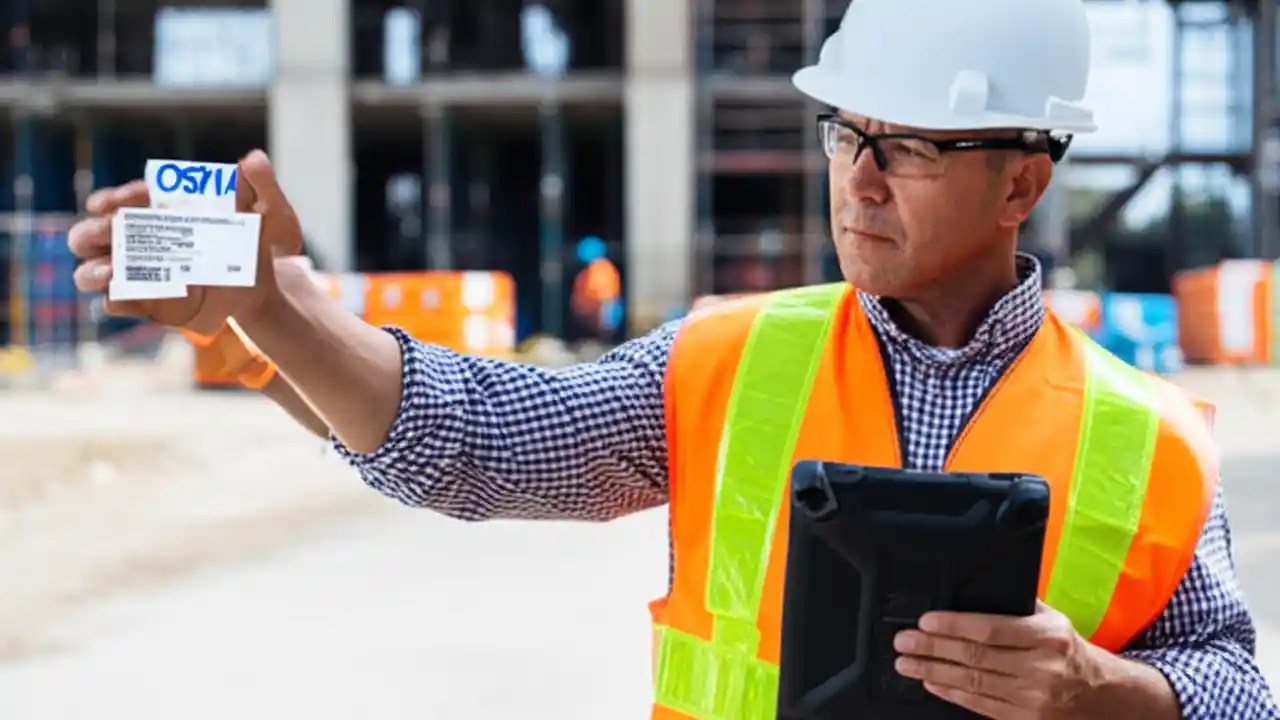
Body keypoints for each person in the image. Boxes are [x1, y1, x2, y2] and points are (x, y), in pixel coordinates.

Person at [67, 0, 1275, 717]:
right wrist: (277, 314)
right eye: (843, 134)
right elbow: (481, 442)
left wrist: (1109, 692)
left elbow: (1233, 684)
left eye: (905, 147)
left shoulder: (1149, 435)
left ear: (1022, 179)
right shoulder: (726, 359)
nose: (853, 182)